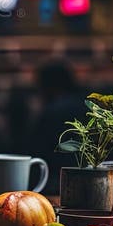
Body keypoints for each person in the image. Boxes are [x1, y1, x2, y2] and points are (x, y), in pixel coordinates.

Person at [23, 59, 87, 196]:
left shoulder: (51, 113)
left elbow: (35, 152)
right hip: (87, 183)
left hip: (54, 186)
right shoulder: (88, 108)